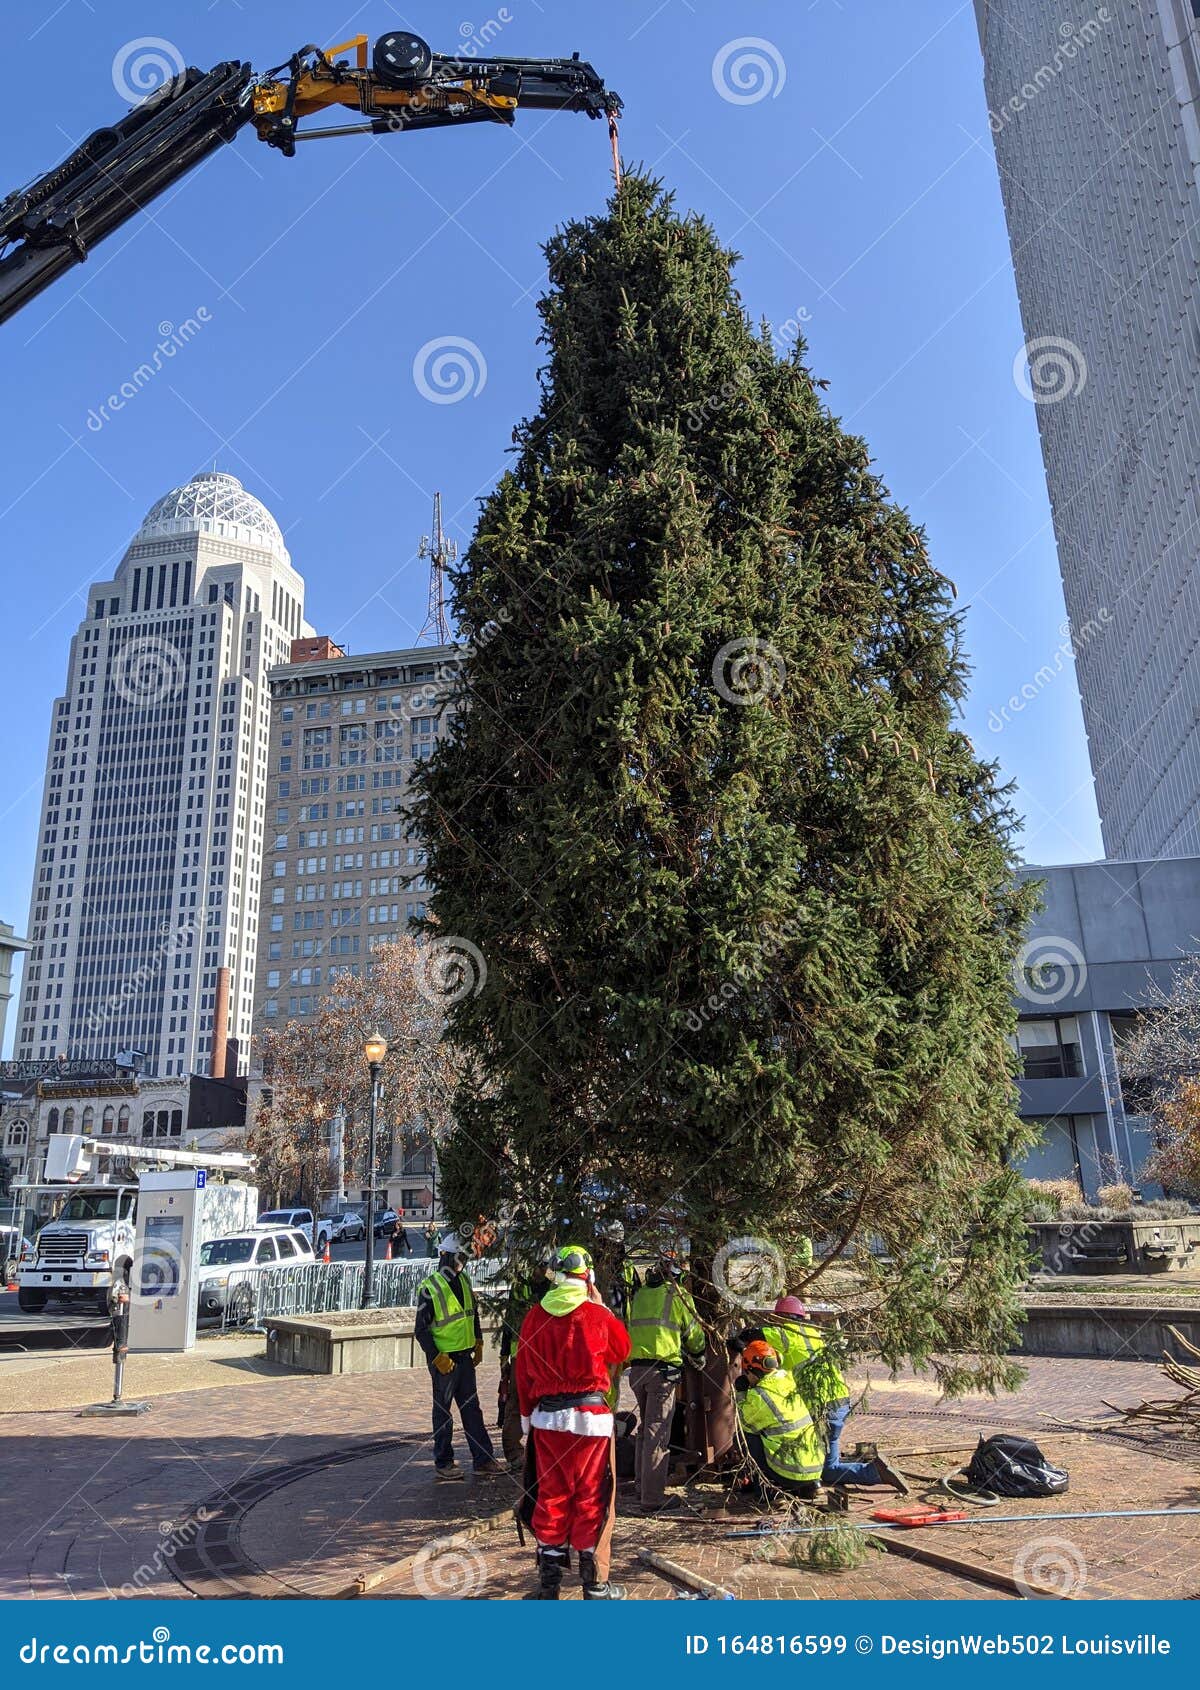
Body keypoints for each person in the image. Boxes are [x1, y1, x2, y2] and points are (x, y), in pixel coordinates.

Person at [515, 1243, 631, 1600]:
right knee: (592, 1497)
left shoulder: (535, 1316)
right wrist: (603, 1309)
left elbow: (522, 1373)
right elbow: (622, 1350)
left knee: (552, 1495)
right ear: (588, 1277)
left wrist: (524, 1417)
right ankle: (595, 1586)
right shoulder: (595, 1315)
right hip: (591, 1422)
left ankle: (548, 1587)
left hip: (547, 1420)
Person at [730, 1297, 908, 1492]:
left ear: (779, 1318)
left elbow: (755, 1334)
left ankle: (874, 1472)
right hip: (839, 1400)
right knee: (822, 1454)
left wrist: (738, 1343)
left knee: (825, 1469)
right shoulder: (813, 1333)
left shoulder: (786, 1334)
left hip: (823, 1406)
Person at [415, 1232, 503, 1482]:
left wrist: (477, 1339)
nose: (462, 1261)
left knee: (471, 1409)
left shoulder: (464, 1281)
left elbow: (471, 1313)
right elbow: (421, 1330)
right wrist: (436, 1357)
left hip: (464, 1358)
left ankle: (483, 1460)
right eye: (459, 1256)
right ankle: (443, 1462)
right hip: (445, 1360)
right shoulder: (430, 1288)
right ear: (445, 1255)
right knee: (443, 1412)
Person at [626, 1251, 705, 1512]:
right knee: (656, 1434)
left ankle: (641, 1487)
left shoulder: (640, 1294)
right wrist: (699, 1354)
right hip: (663, 1372)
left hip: (637, 1371)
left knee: (644, 1433)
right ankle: (653, 1499)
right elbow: (693, 1333)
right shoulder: (678, 1295)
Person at [735, 1340, 825, 1500]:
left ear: (751, 1371)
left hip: (788, 1472)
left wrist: (741, 1393)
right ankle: (811, 1486)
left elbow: (744, 1422)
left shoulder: (759, 1396)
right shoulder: (787, 1379)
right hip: (814, 1469)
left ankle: (766, 1490)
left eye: (746, 1374)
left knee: (747, 1435)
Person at [499, 1253, 552, 1472]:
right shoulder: (521, 1287)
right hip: (522, 1355)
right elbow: (509, 1321)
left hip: (544, 1356)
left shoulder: (553, 1288)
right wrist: (504, 1357)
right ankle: (514, 1453)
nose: (539, 1270)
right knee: (516, 1404)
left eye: (542, 1265)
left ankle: (539, 1452)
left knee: (544, 1403)